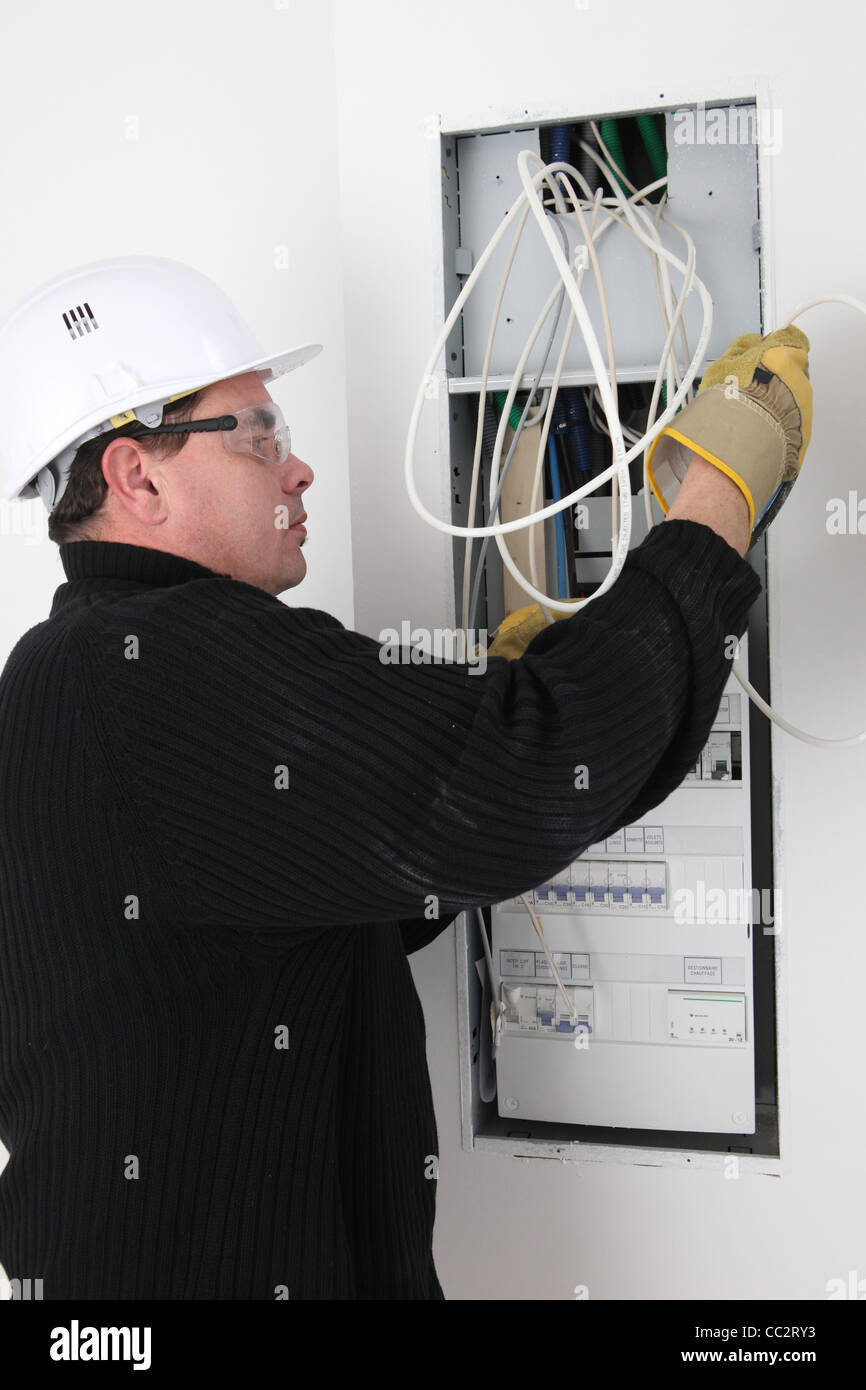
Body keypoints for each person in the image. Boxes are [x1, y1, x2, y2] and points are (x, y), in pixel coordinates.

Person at [0, 257, 810, 1300]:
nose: (296, 470)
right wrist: (717, 496)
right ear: (137, 476)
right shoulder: (170, 663)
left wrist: (515, 701)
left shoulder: (72, 668)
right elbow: (517, 774)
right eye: (256, 434)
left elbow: (350, 887)